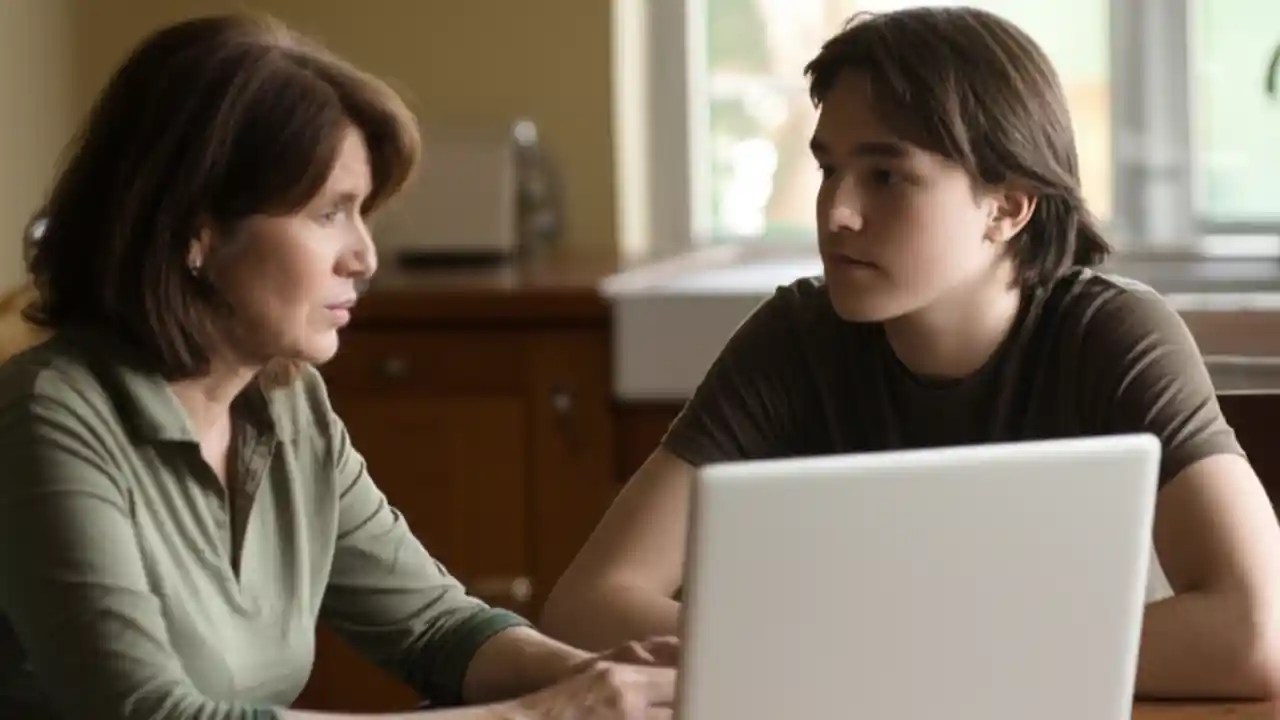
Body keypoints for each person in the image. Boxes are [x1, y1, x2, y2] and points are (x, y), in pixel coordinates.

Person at [542, 6, 1280, 700]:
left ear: (1008, 205)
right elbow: (587, 604)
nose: (836, 212)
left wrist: (891, 657)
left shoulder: (1114, 335)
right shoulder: (796, 338)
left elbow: (1259, 632)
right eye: (829, 168)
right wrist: (901, 661)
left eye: (886, 175)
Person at [0, 14, 677, 720]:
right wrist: (546, 711)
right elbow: (151, 714)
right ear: (195, 229)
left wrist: (617, 681)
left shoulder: (287, 405)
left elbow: (435, 628)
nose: (365, 257)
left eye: (363, 214)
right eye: (329, 213)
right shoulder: (49, 415)